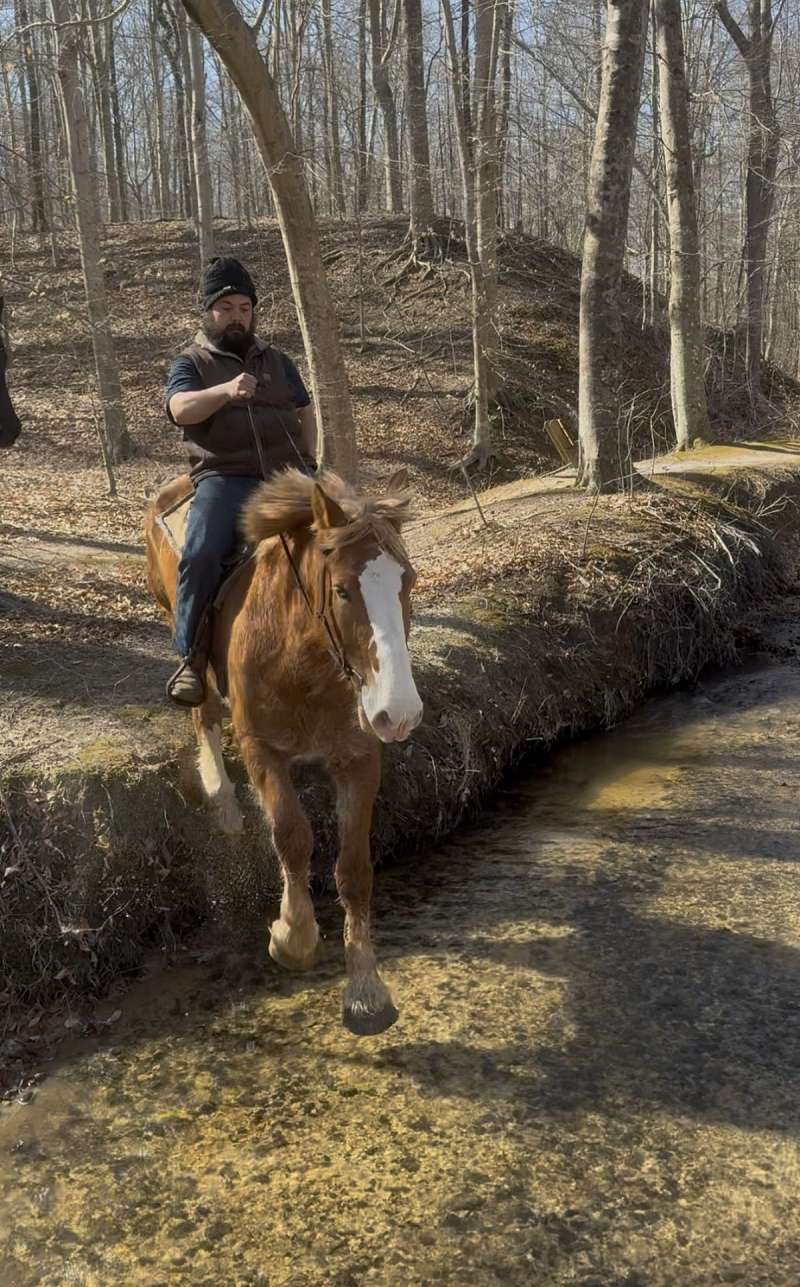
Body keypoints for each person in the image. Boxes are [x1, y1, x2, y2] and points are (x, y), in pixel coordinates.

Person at [164, 256, 317, 707]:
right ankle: (191, 660)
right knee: (202, 551)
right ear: (208, 312)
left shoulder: (278, 361)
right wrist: (224, 392)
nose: (237, 316)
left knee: (350, 537)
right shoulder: (191, 362)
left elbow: (305, 409)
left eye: (244, 308)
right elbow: (179, 410)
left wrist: (310, 460)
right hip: (224, 476)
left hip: (288, 474)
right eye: (226, 307)